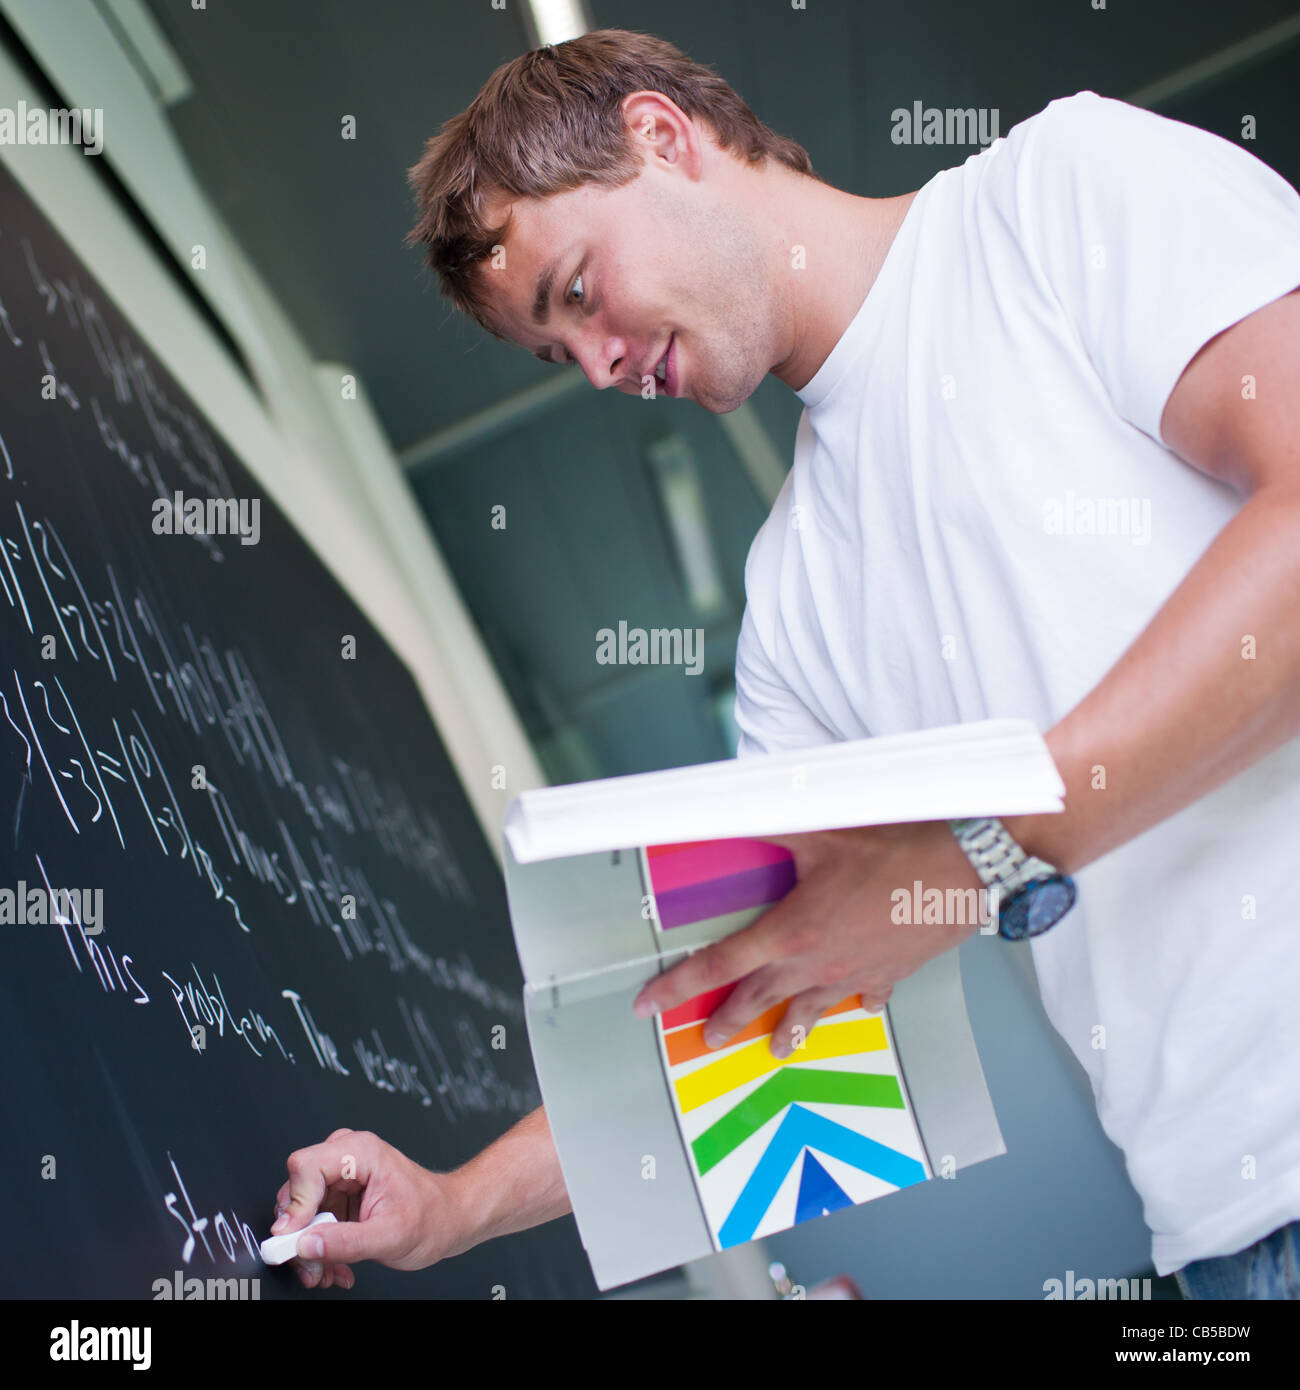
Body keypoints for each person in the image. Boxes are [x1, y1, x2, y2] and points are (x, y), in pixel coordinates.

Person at [270, 30, 1300, 1299]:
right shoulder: (792, 607)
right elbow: (752, 1013)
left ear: (662, 136)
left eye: (578, 293)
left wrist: (975, 855)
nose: (595, 366)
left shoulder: (1057, 196)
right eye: (555, 354)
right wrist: (456, 1204)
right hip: (1217, 1236)